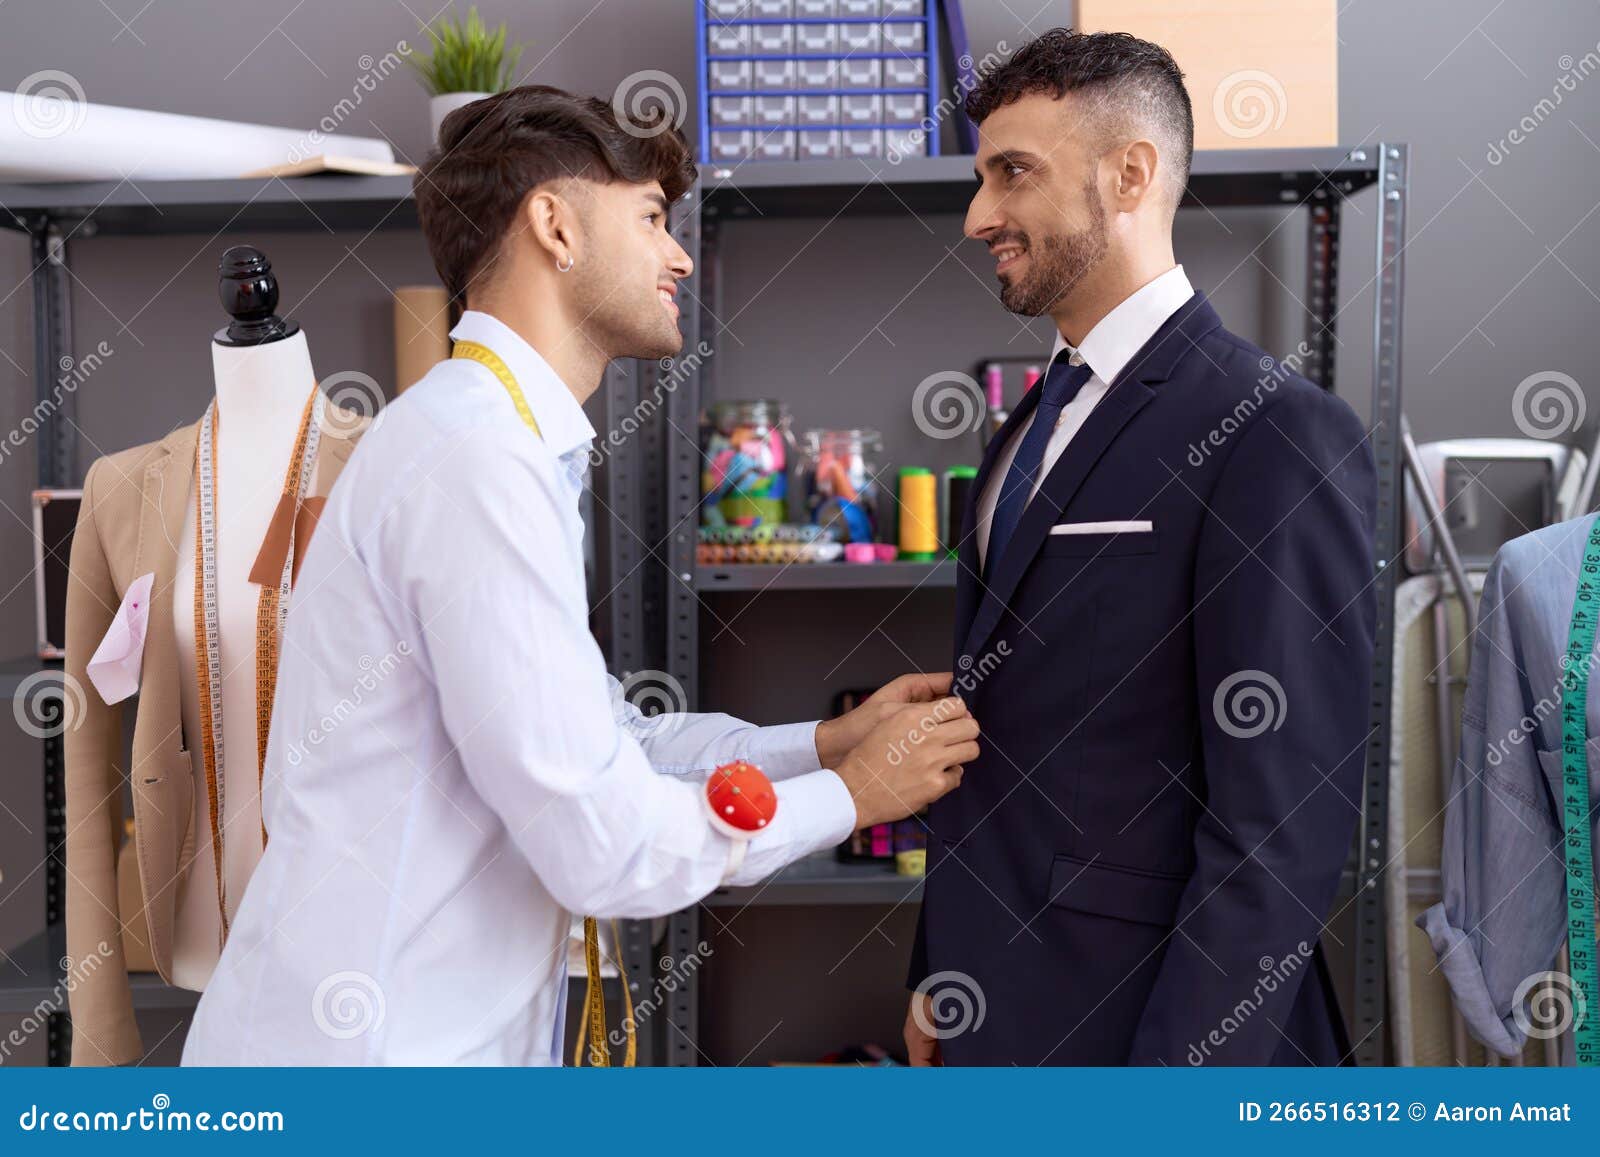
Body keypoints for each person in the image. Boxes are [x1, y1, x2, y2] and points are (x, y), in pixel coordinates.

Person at [182, 85, 977, 1065]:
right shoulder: (476, 458)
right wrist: (853, 794)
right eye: (651, 216)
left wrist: (820, 745)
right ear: (554, 225)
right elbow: (603, 840)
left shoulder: (495, 439)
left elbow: (609, 743)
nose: (679, 253)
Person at [903, 30, 1377, 1066]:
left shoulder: (1271, 429)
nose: (979, 214)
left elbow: (1283, 822)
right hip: (994, 1007)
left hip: (1152, 1032)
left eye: (1011, 172)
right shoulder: (1022, 429)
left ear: (1129, 173)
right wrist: (939, 975)